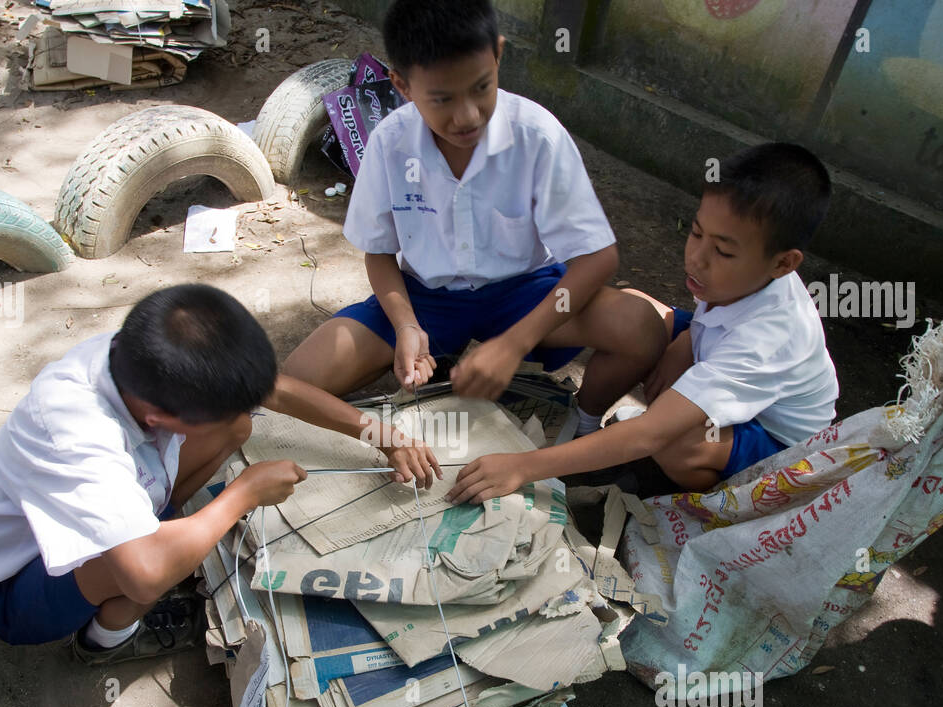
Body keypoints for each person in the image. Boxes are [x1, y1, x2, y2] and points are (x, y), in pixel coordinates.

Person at [0, 284, 440, 664]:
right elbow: (143, 573)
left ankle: (171, 529)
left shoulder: (147, 359)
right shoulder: (77, 431)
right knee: (144, 569)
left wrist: (381, 434)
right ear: (159, 418)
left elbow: (277, 391)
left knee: (238, 425)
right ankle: (104, 643)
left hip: (94, 511)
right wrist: (242, 495)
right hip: (9, 589)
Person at [281, 0, 665, 416]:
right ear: (402, 86)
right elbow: (378, 251)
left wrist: (514, 344)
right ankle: (438, 353)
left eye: (481, 88)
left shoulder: (538, 136)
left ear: (498, 55)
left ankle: (583, 423)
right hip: (428, 297)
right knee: (293, 383)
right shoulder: (390, 141)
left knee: (640, 327)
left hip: (529, 293)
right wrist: (406, 324)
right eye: (442, 99)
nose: (466, 116)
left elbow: (598, 258)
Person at [449, 142, 841, 503]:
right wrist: (683, 345)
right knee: (634, 312)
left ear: (783, 263)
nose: (697, 258)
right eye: (696, 232)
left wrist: (522, 466)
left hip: (772, 445)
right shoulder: (738, 275)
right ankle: (585, 426)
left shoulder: (770, 337)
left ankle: (701, 497)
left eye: (722, 250)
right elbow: (713, 318)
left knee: (677, 439)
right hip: (727, 366)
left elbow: (652, 432)